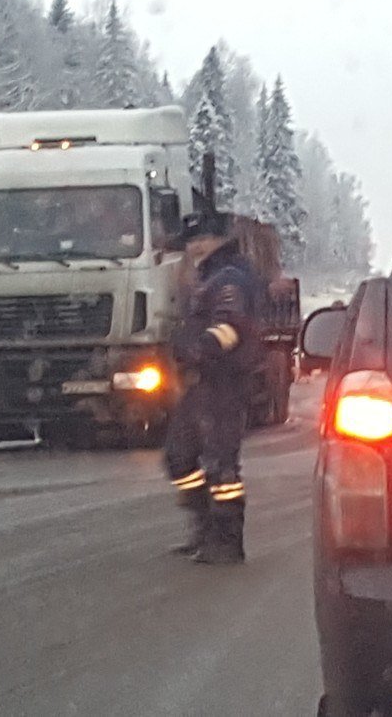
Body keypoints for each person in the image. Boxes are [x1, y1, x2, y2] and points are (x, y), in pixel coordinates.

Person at [164, 211, 265, 564]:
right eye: (191, 241)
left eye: (202, 239)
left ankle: (225, 539)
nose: (195, 247)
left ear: (219, 240)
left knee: (221, 465)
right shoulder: (212, 275)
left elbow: (231, 325)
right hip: (203, 381)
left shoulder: (229, 279)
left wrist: (201, 348)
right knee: (180, 456)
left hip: (222, 381)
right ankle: (205, 528)